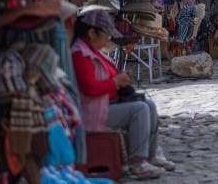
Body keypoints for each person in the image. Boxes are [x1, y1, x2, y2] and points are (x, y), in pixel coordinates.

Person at [71, 10, 173, 179]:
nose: (108, 39)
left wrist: (120, 79)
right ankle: (137, 162)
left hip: (105, 103)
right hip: (92, 111)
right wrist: (115, 82)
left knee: (149, 105)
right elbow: (90, 88)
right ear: (91, 33)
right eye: (105, 34)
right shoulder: (80, 54)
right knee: (139, 110)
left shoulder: (94, 51)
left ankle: (151, 154)